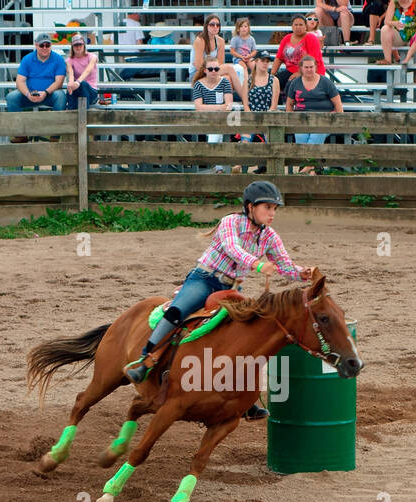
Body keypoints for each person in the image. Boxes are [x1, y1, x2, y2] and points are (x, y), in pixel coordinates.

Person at [122, 179, 313, 423]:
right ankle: (145, 359)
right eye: (268, 208)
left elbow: (285, 265)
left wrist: (301, 272)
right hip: (204, 279)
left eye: (275, 209)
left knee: (250, 332)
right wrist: (258, 264)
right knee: (179, 310)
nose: (272, 213)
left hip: (232, 288)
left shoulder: (270, 237)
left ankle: (246, 397)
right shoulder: (230, 222)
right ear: (250, 207)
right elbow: (233, 249)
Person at [284, 55, 342, 171]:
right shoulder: (295, 83)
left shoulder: (326, 82)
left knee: (317, 133)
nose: (309, 69)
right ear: (301, 68)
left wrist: (335, 117)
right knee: (300, 135)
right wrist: (291, 119)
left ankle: (308, 166)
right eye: (306, 67)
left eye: (311, 67)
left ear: (316, 67)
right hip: (301, 121)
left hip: (323, 121)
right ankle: (313, 168)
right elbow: (289, 104)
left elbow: (338, 104)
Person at [7, 34, 67, 112]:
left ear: (51, 45)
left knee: (60, 96)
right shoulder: (27, 59)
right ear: (36, 45)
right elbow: (19, 81)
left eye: (47, 45)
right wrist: (28, 94)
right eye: (41, 45)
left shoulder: (59, 59)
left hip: (50, 94)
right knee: (11, 97)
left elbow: (59, 82)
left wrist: (45, 93)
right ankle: (17, 123)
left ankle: (57, 123)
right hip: (30, 94)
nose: (44, 48)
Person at [192, 14, 243, 95]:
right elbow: (198, 66)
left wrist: (213, 69)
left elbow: (220, 64)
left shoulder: (220, 41)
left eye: (218, 25)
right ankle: (245, 100)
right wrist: (212, 69)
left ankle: (225, 104)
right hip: (197, 73)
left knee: (227, 78)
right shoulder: (200, 40)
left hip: (213, 70)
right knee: (229, 68)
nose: (215, 27)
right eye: (212, 24)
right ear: (206, 26)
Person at [273, 15, 325, 92]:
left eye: (301, 25)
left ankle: (290, 104)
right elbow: (279, 58)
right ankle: (276, 103)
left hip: (311, 71)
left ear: (305, 26)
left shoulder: (311, 38)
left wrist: (299, 73)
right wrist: (272, 74)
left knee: (291, 85)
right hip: (291, 71)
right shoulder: (286, 38)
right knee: (273, 83)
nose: (298, 27)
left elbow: (314, 61)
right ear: (292, 26)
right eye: (296, 25)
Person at [381, 0, 416, 66]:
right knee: (385, 29)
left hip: (415, 36)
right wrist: (395, 23)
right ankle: (387, 60)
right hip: (400, 35)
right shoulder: (393, 3)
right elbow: (386, 21)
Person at [62, 34, 99, 110]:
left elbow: (88, 71)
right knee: (71, 88)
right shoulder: (69, 60)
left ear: (84, 45)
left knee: (83, 84)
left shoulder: (92, 57)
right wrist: (71, 83)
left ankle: (83, 114)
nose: (78, 47)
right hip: (78, 89)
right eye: (76, 45)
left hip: (91, 91)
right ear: (72, 47)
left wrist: (78, 82)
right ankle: (70, 113)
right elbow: (71, 74)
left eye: (80, 45)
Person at [229, 18, 258, 82]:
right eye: (241, 26)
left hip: (248, 57)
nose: (243, 28)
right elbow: (232, 51)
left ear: (248, 28)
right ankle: (245, 81)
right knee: (243, 67)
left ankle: (252, 80)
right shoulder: (235, 39)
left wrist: (250, 55)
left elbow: (254, 51)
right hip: (238, 58)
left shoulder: (251, 39)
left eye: (245, 26)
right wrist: (241, 56)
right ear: (238, 29)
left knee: (254, 66)